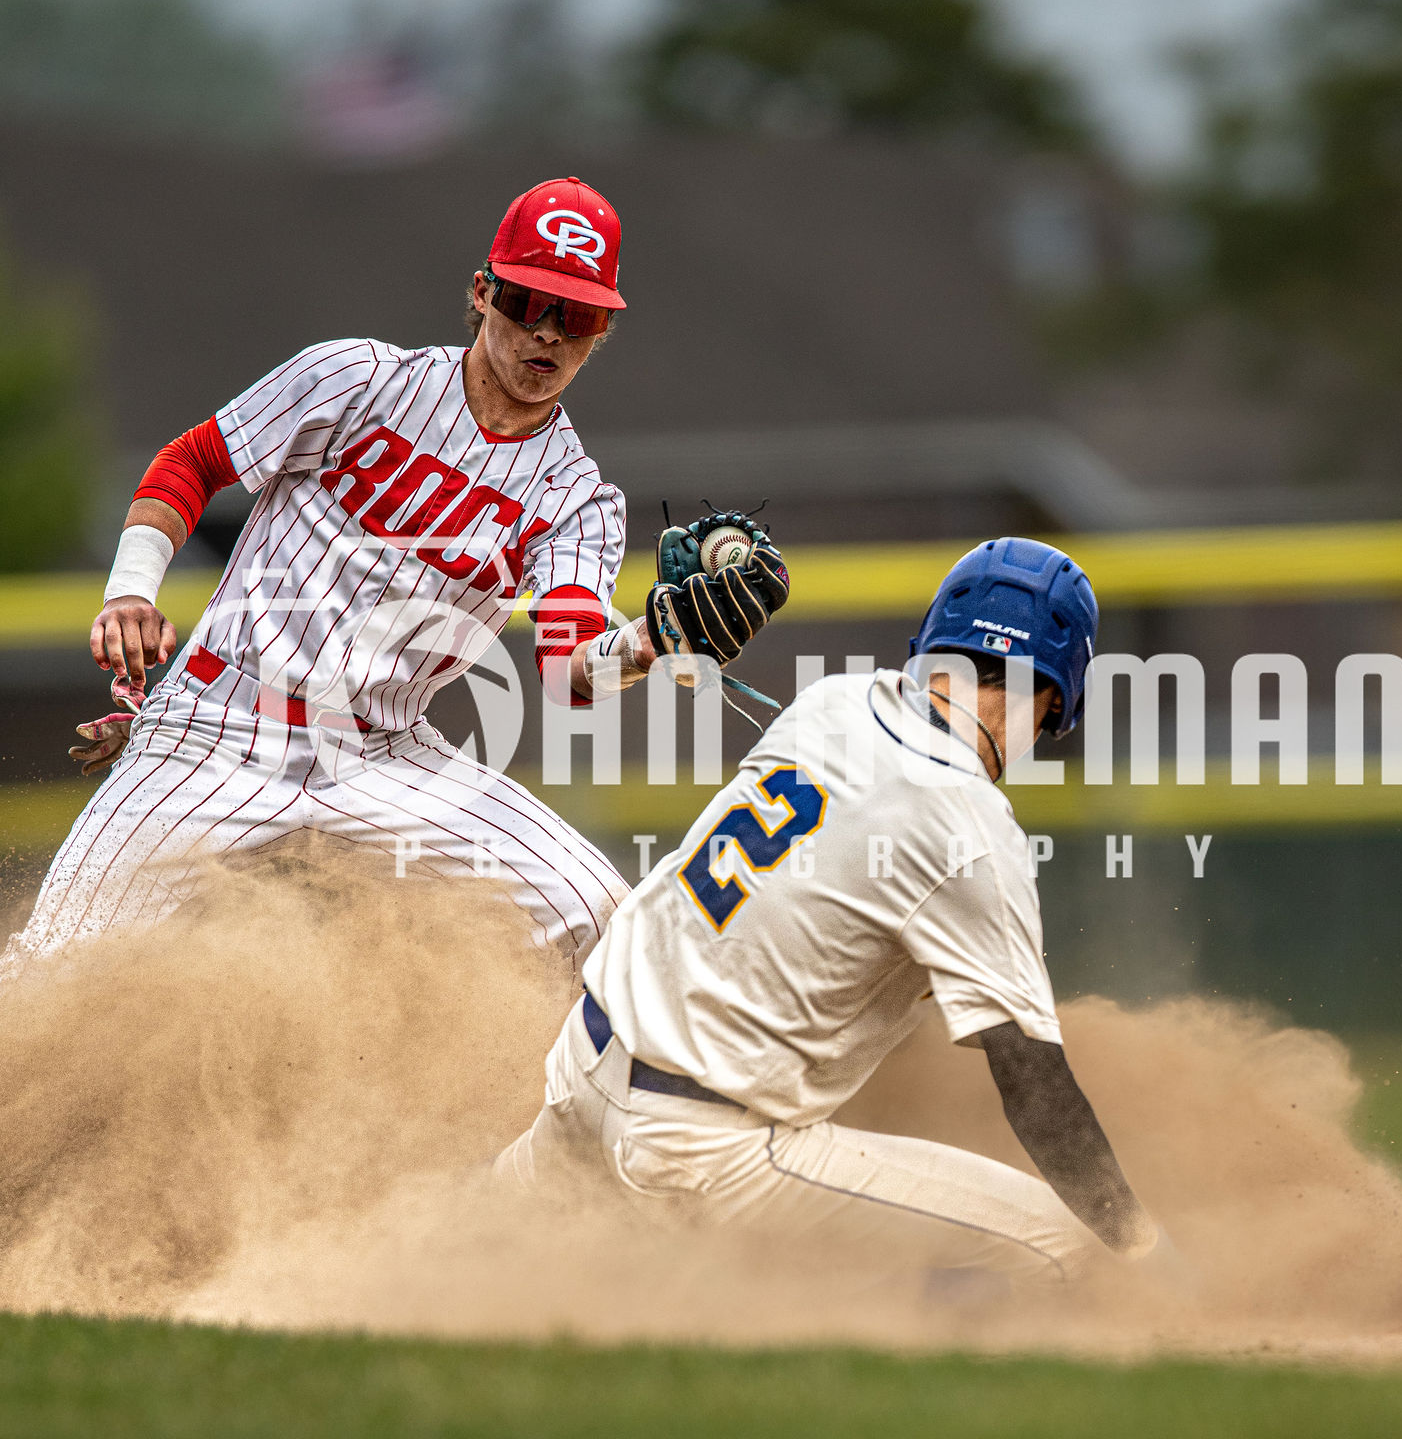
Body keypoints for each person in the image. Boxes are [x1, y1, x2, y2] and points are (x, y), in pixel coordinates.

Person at [5, 177, 788, 974]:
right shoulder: (358, 379)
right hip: (218, 725)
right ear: (484, 293)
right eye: (529, 302)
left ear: (602, 332)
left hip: (385, 755)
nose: (547, 334)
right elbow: (193, 462)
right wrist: (132, 591)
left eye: (577, 315)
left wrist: (651, 641)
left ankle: (578, 1096)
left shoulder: (577, 498)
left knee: (595, 915)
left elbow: (569, 667)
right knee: (52, 972)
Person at [496, 537, 1162, 1282]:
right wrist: (1142, 1246)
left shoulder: (831, 702)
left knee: (448, 1255)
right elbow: (1034, 1087)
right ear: (1057, 695)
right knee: (1070, 1254)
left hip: (580, 1075)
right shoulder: (972, 832)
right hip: (698, 1149)